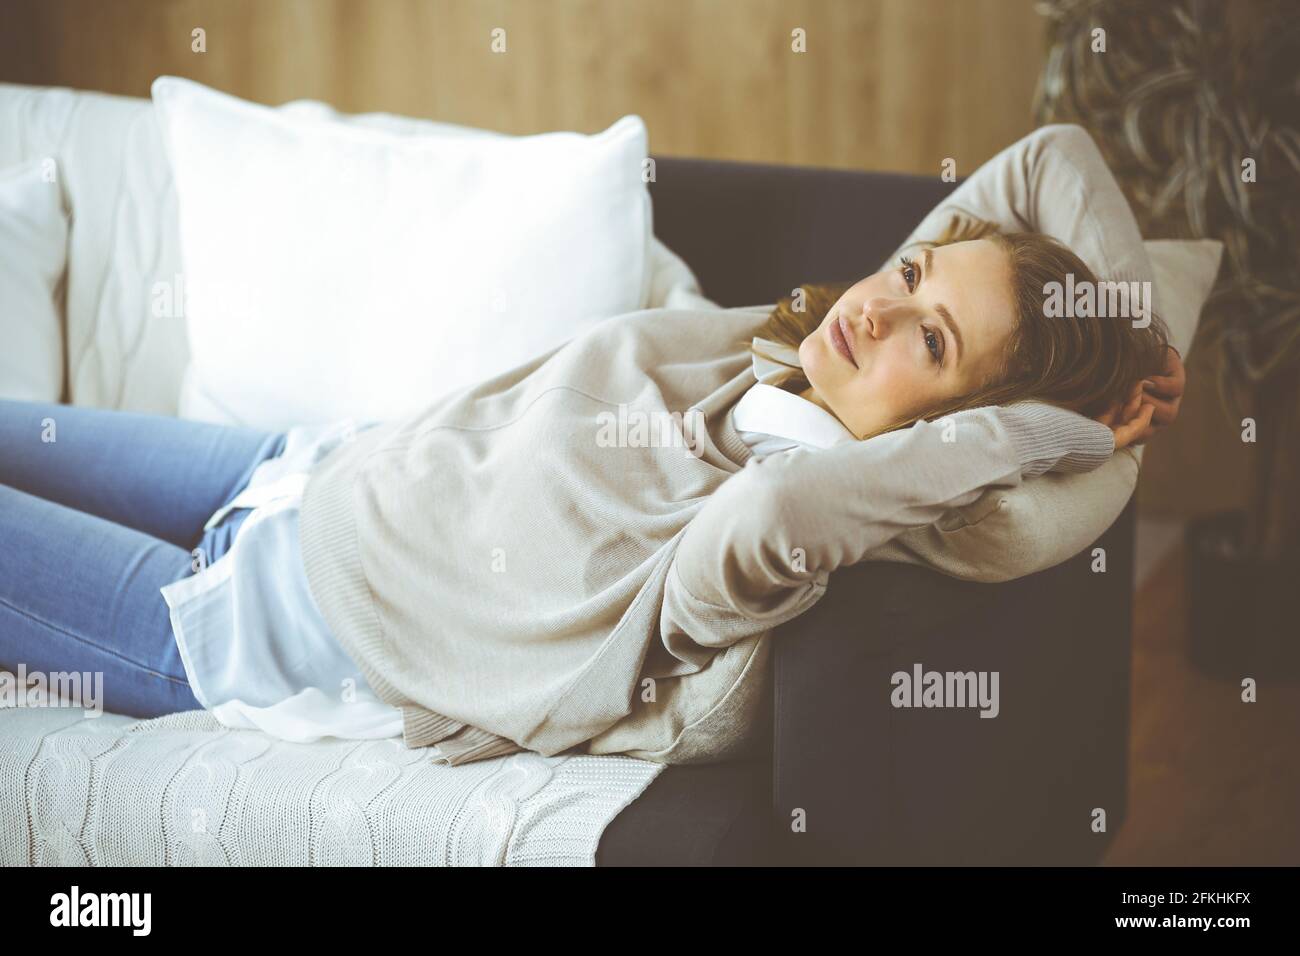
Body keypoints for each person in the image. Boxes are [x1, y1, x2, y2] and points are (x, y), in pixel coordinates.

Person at [0, 123, 1185, 765]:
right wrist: (1129, 346)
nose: (875, 303)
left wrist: (1051, 429)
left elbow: (777, 526)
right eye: (910, 271)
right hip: (295, 467)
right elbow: (1052, 157)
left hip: (234, 619)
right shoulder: (788, 353)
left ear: (959, 429)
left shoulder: (789, 504)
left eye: (926, 340)